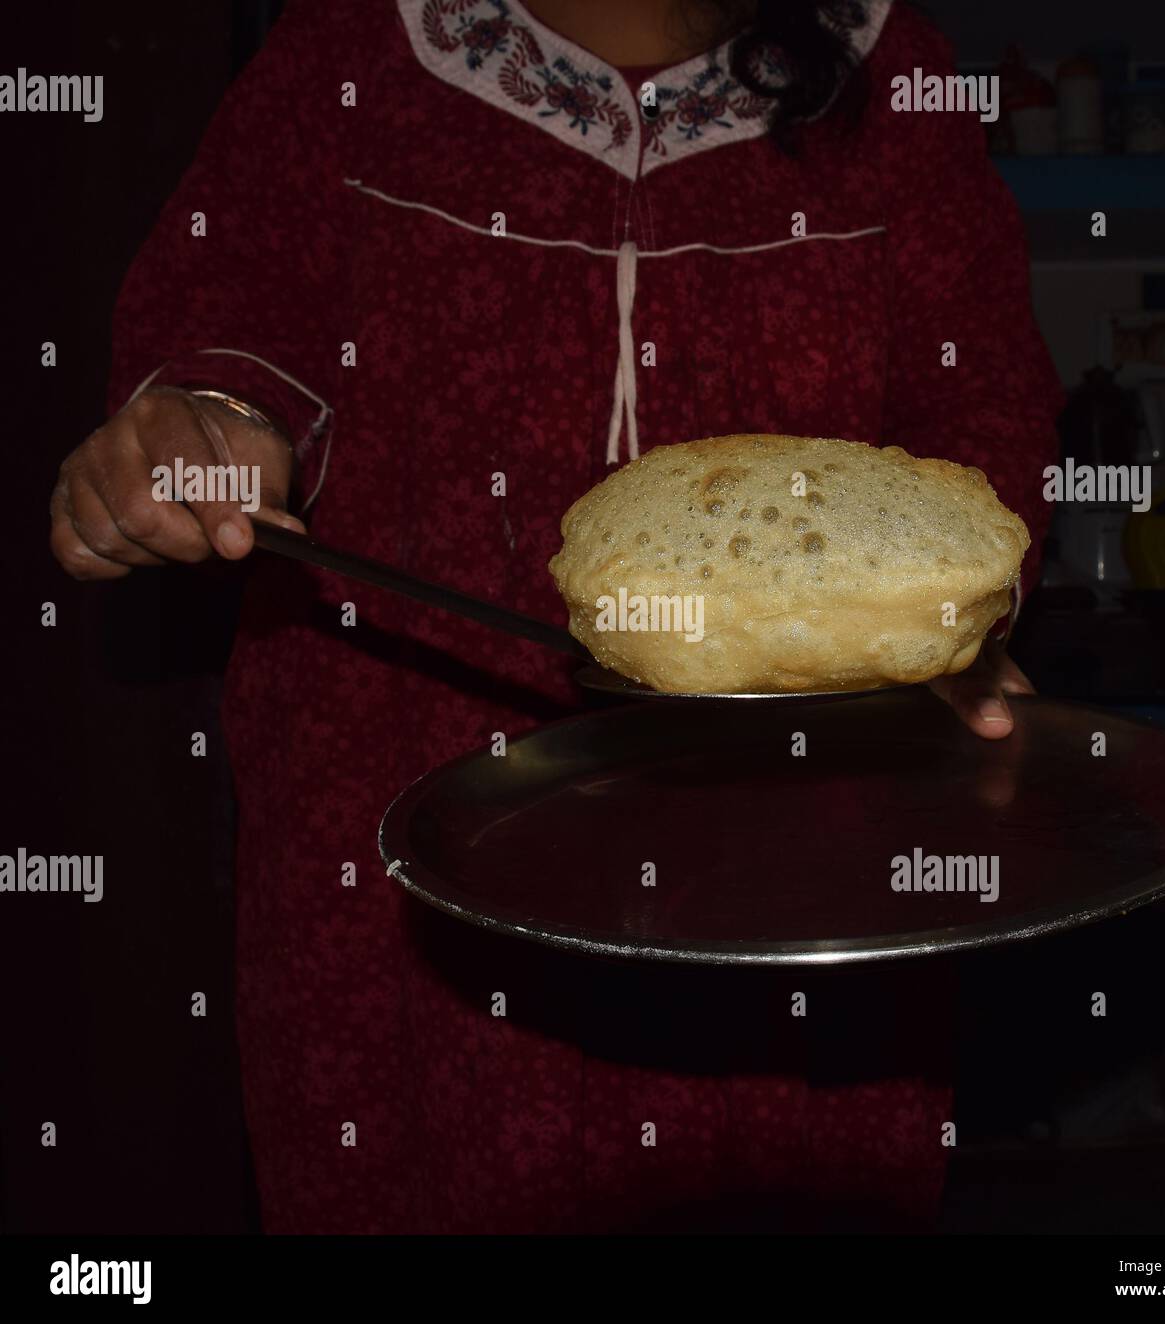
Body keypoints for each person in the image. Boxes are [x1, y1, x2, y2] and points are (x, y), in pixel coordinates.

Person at [49, 0, 1062, 1232]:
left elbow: (985, 403)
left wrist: (964, 616)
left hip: (807, 830)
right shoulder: (351, 43)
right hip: (397, 812)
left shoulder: (891, 69)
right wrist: (210, 429)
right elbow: (239, 310)